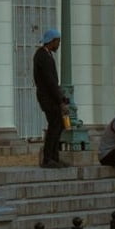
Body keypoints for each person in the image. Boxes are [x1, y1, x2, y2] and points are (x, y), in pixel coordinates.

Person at [32, 26, 69, 167]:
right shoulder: (43, 56)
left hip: (50, 97)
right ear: (51, 41)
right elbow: (50, 82)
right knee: (55, 126)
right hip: (48, 98)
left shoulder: (45, 55)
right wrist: (60, 101)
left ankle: (54, 157)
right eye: (57, 41)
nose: (58, 44)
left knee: (58, 126)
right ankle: (48, 158)